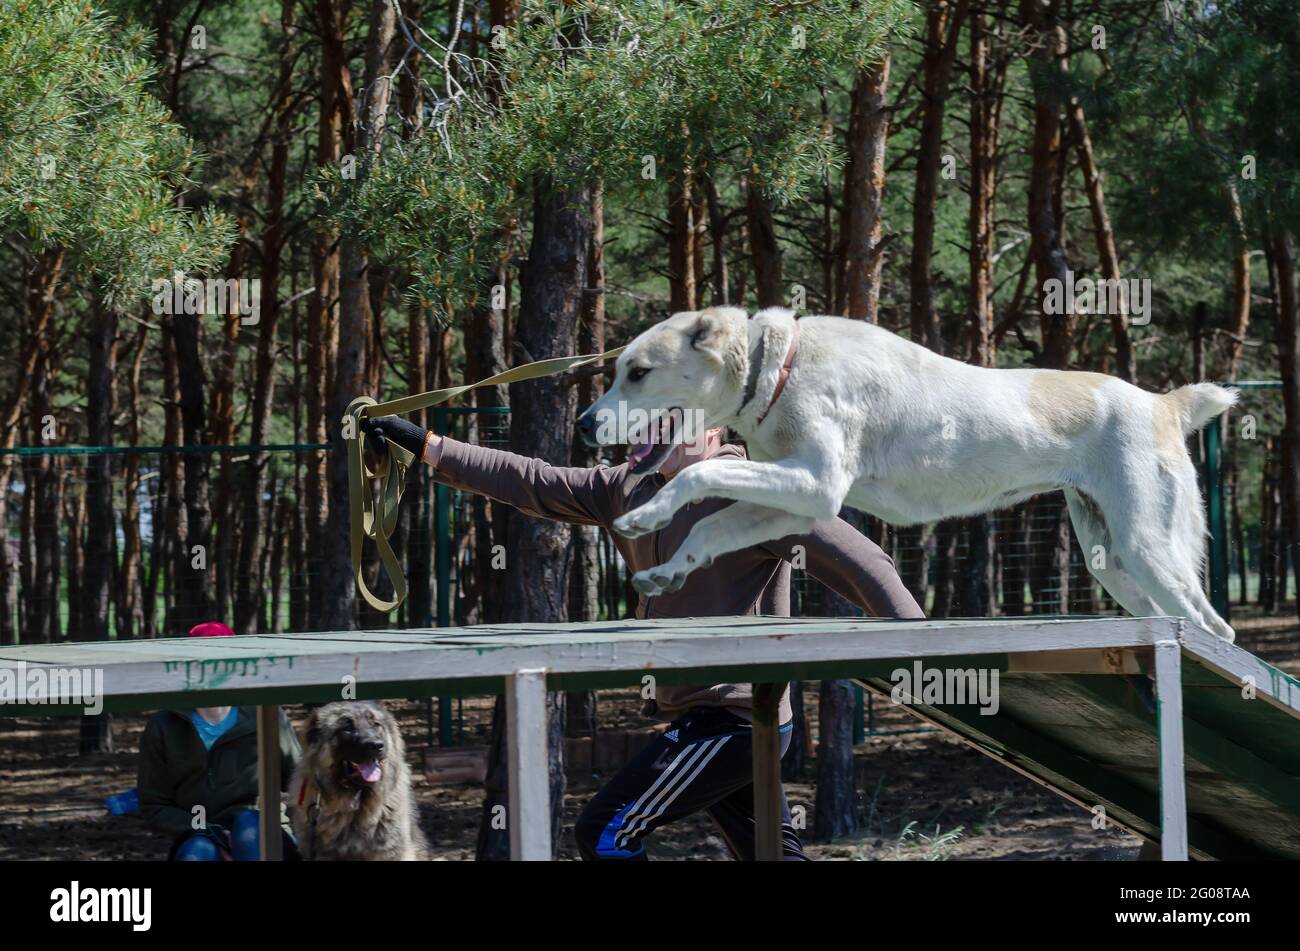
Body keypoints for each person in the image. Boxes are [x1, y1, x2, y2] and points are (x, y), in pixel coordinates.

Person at [362, 413, 925, 861]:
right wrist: (429, 446)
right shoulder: (629, 490)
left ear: (714, 427)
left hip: (734, 720)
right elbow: (531, 480)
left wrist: (924, 647)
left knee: (605, 833)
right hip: (709, 718)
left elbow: (865, 562)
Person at [137, 621, 303, 860]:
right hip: (199, 830)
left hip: (260, 827)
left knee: (248, 831)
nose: (212, 671)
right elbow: (154, 805)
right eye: (202, 662)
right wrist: (206, 829)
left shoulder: (264, 714)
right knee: (194, 855)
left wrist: (294, 825)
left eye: (221, 661)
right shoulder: (163, 725)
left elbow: (301, 780)